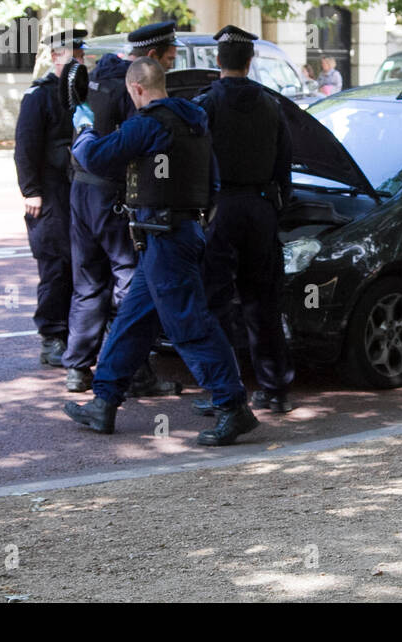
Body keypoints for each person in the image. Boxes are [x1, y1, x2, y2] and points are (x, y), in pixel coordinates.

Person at [63, 56, 258, 445]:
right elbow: (213, 183)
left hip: (164, 237)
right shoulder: (195, 122)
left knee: (189, 324)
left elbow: (95, 158)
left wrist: (84, 127)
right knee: (132, 322)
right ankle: (104, 402)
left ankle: (233, 406)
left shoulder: (148, 124)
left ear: (136, 88)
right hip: (174, 234)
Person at [59, 21, 180, 396]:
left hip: (81, 191)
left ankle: (78, 368)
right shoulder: (133, 91)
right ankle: (137, 374)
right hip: (112, 195)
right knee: (129, 283)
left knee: (88, 282)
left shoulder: (98, 74)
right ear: (151, 57)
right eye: (169, 58)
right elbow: (137, 146)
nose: (171, 65)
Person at [192, 25, 297, 415]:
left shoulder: (206, 105)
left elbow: (195, 161)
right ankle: (275, 389)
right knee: (262, 302)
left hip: (220, 210)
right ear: (250, 62)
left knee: (214, 303)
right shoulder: (272, 105)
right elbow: (285, 163)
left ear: (217, 61)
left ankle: (224, 391)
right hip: (261, 207)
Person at [13, 30, 81, 367]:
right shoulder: (39, 95)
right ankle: (52, 336)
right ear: (56, 56)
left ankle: (75, 333)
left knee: (79, 262)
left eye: (80, 53)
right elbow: (25, 146)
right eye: (71, 53)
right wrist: (32, 190)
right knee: (55, 264)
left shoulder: (82, 91)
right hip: (51, 190)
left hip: (78, 188)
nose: (78, 59)